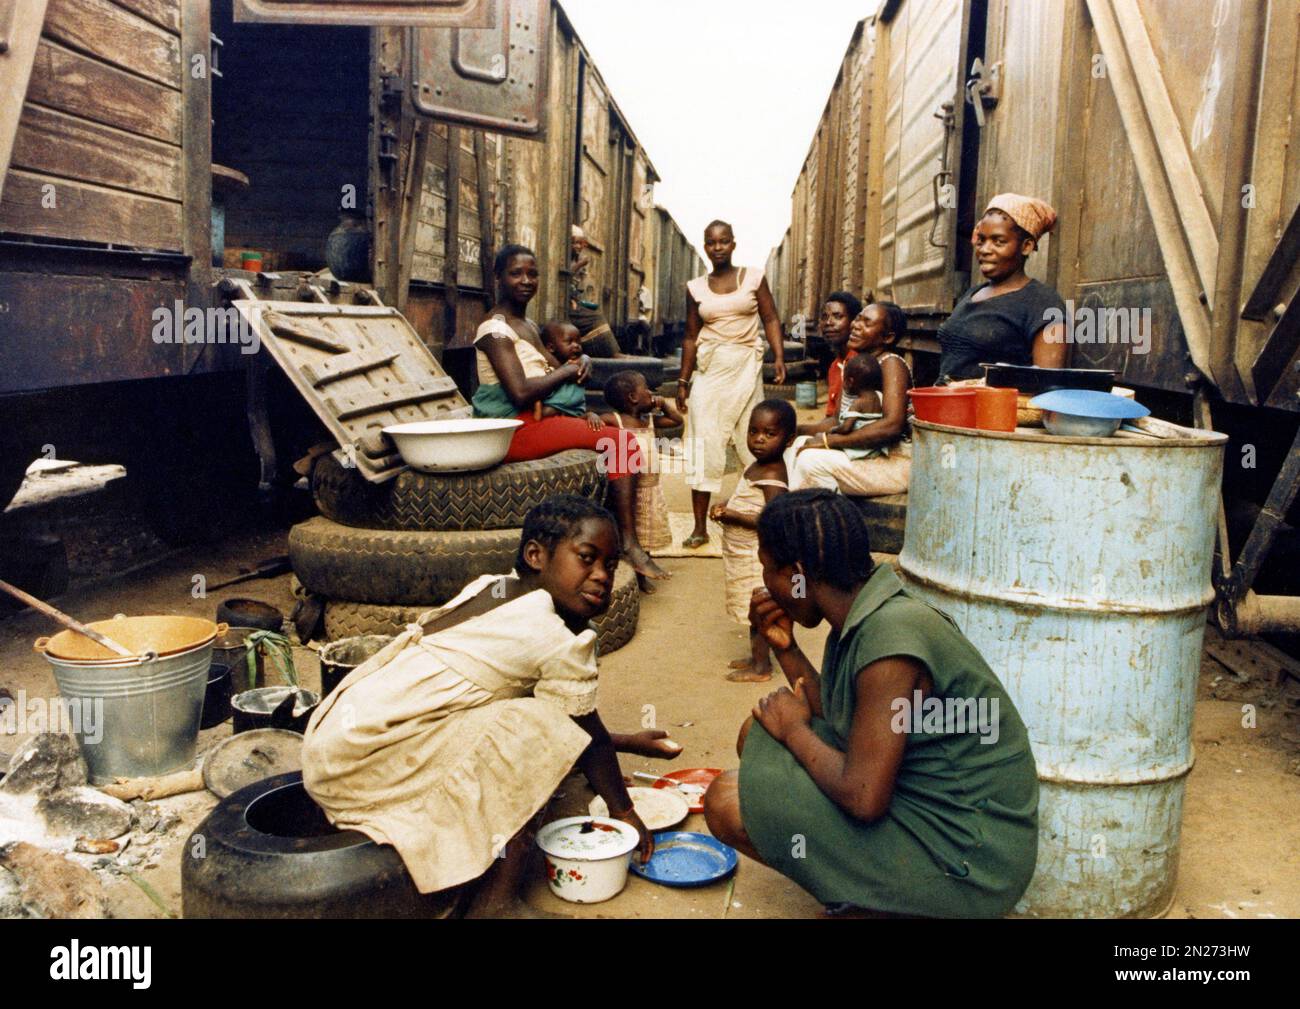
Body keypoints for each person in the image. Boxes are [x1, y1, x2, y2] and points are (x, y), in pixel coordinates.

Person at [303, 497, 684, 918]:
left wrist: (624, 741)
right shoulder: (554, 637)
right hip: (364, 767)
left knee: (528, 715)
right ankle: (494, 904)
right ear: (536, 555)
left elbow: (500, 699)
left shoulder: (493, 586)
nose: (601, 576)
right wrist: (624, 811)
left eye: (611, 565)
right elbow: (579, 728)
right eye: (587, 558)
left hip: (335, 744)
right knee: (534, 726)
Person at [702, 490, 1039, 918]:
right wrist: (785, 649)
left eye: (769, 568)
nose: (764, 582)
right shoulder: (867, 612)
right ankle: (874, 893)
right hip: (929, 806)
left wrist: (794, 730)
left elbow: (864, 797)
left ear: (799, 574)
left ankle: (890, 906)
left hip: (970, 862)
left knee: (725, 803)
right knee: (755, 738)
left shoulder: (890, 642)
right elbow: (851, 722)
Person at [473, 244, 668, 580]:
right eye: (515, 273)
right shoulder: (494, 329)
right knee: (621, 445)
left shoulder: (529, 326)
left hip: (537, 418)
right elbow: (520, 391)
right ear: (498, 278)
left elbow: (565, 367)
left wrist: (583, 363)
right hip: (511, 428)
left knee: (614, 439)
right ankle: (627, 544)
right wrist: (566, 373)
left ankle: (612, 542)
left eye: (532, 273)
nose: (526, 280)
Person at [677, 220, 787, 549]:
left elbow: (770, 318)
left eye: (724, 241)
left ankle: (759, 516)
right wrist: (683, 381)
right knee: (704, 442)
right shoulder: (695, 287)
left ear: (734, 244)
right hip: (710, 372)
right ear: (705, 247)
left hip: (745, 366)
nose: (718, 247)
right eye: (712, 243)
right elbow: (690, 336)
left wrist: (778, 357)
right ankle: (700, 527)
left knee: (752, 440)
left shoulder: (753, 278)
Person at [936, 193, 1068, 382]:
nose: (985, 249)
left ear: (1026, 246)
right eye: (981, 240)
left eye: (999, 241)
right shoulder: (973, 294)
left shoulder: (1045, 305)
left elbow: (1048, 388)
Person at [709, 399, 795, 683]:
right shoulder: (756, 466)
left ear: (789, 439)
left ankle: (761, 667)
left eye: (769, 434)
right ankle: (757, 657)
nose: (758, 440)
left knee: (759, 612)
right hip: (741, 552)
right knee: (752, 611)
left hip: (755, 558)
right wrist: (726, 504)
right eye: (753, 432)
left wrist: (732, 515)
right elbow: (746, 500)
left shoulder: (773, 476)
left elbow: (772, 521)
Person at [789, 302, 912, 497]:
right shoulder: (856, 365)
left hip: (895, 461)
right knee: (796, 444)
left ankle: (827, 518)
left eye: (867, 323)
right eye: (858, 319)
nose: (856, 325)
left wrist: (830, 441)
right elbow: (837, 420)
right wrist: (795, 431)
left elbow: (892, 425)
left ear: (887, 337)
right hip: (868, 454)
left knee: (810, 460)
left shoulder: (891, 364)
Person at [600, 370, 684, 591]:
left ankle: (641, 576)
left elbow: (677, 420)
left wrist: (663, 404)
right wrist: (590, 417)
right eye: (646, 389)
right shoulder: (614, 420)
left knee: (645, 537)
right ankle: (628, 574)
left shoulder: (648, 421)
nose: (651, 392)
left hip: (650, 488)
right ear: (633, 397)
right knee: (628, 533)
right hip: (628, 494)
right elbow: (591, 425)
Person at [569, 226, 621, 358]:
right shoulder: (568, 258)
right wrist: (579, 265)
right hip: (567, 306)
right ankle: (614, 355)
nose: (579, 247)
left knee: (596, 314)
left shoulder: (575, 258)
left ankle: (613, 353)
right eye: (576, 243)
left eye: (581, 243)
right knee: (596, 318)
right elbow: (564, 278)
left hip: (573, 302)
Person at [818, 291, 863, 420]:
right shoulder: (835, 366)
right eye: (825, 317)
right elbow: (831, 417)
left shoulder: (859, 364)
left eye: (838, 316)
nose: (828, 323)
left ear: (854, 322)